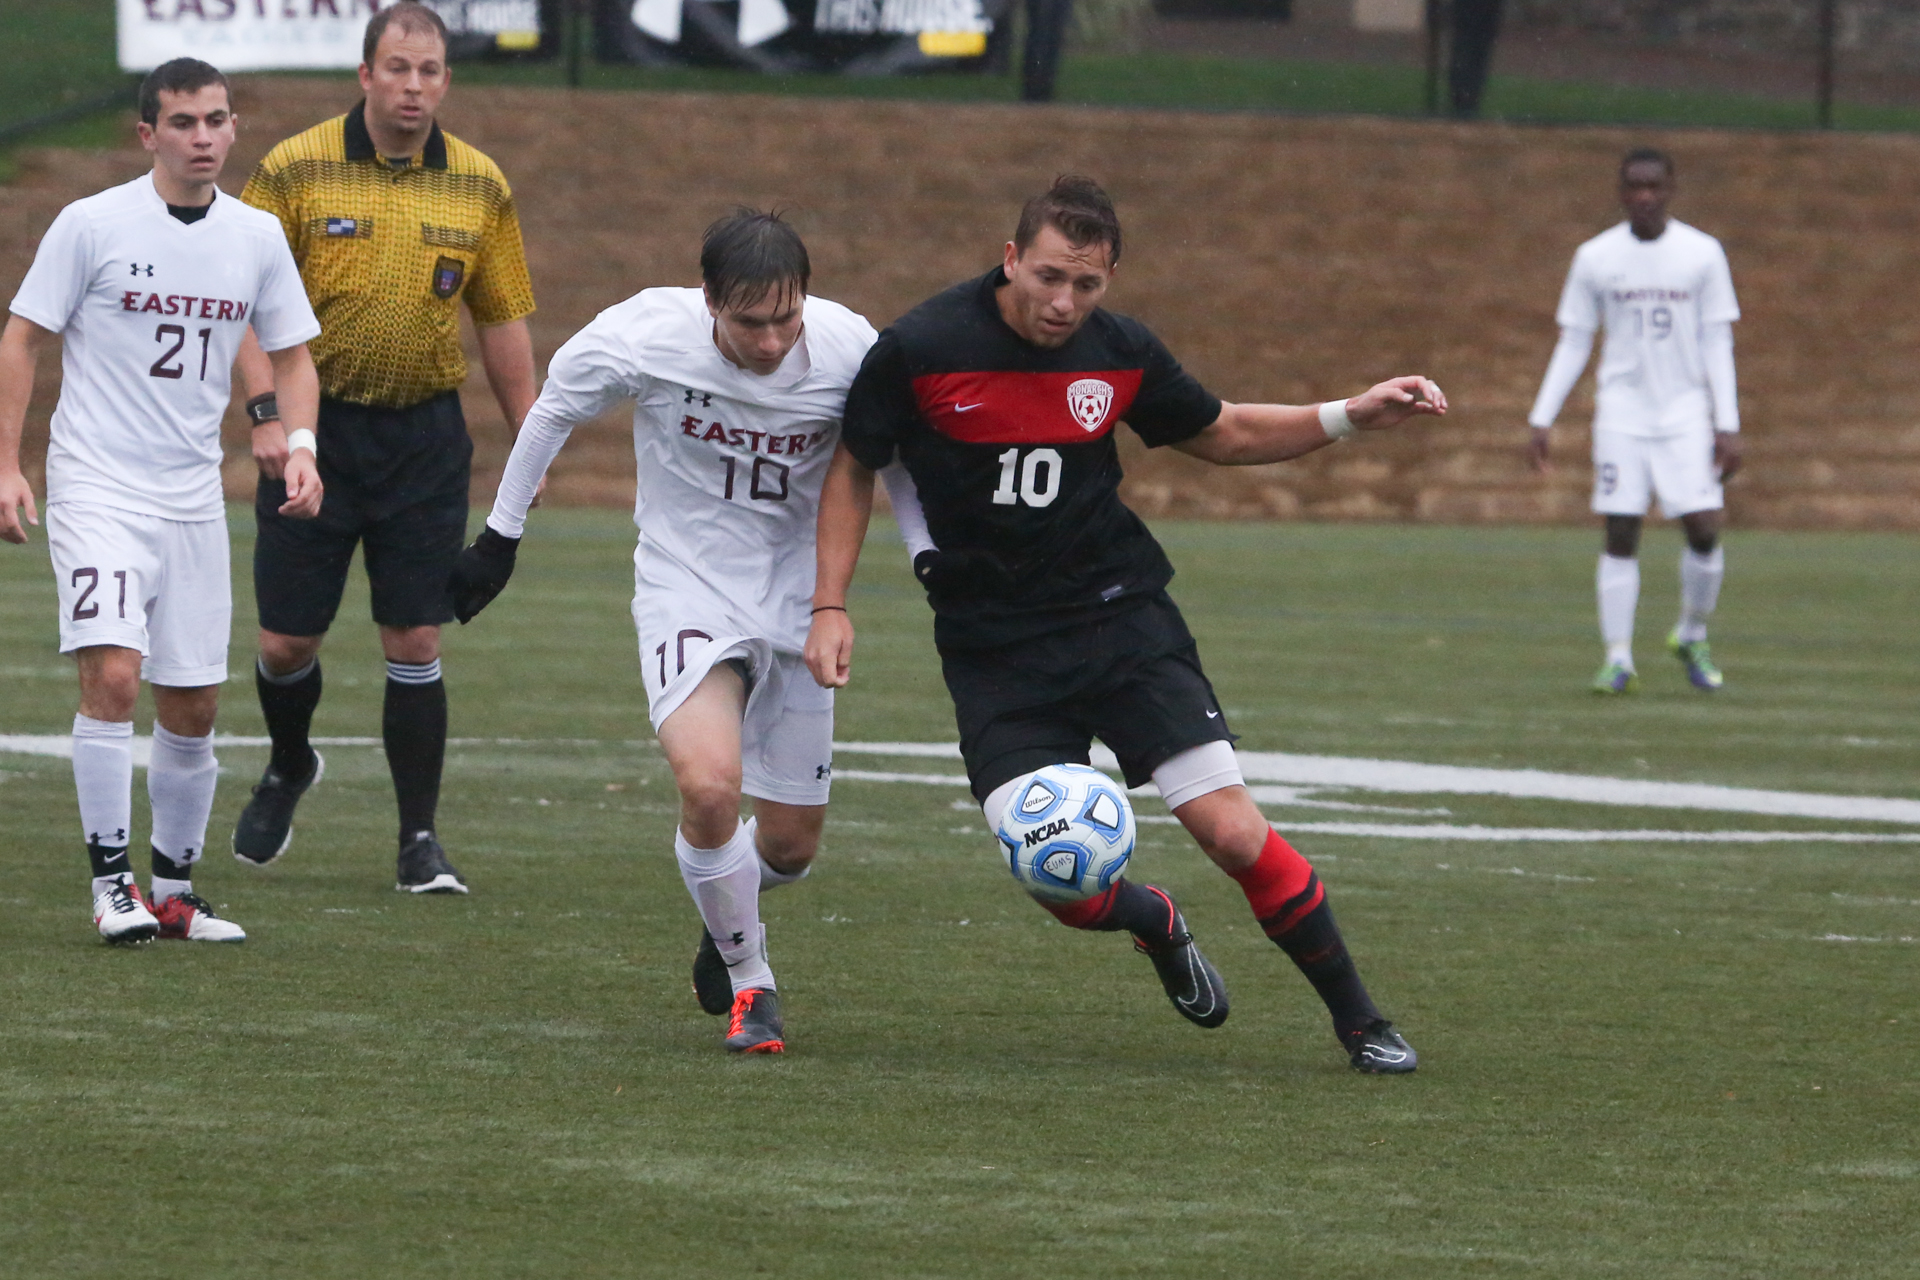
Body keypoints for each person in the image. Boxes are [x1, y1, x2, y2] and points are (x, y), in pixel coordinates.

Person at [805, 175, 1441, 1072]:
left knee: (1232, 832)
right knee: (1055, 874)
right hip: (996, 649)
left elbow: (1221, 432)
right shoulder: (921, 347)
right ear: (1012, 258)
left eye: (1088, 284)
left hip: (1120, 618)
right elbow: (853, 466)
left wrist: (1349, 415)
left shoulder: (1120, 353)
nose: (1065, 302)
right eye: (1051, 277)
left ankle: (1360, 1020)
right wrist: (830, 604)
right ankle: (1156, 921)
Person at [448, 210, 894, 1055]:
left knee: (792, 848)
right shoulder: (643, 334)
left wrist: (941, 559)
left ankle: (727, 905)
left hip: (800, 599)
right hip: (687, 586)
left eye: (786, 317)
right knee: (711, 788)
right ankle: (749, 978)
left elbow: (891, 456)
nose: (771, 342)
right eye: (750, 322)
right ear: (709, 302)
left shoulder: (850, 349)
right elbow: (550, 413)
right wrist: (500, 538)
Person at [0, 58, 323, 943]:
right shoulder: (92, 223)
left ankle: (174, 891)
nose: (204, 137)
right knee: (113, 674)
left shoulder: (254, 237)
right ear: (149, 133)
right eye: (183, 122)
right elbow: (23, 337)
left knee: (195, 702)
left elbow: (292, 353)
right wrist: (7, 464)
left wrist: (300, 445)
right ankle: (112, 885)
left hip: (191, 498)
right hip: (99, 484)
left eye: (217, 120)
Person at [231, 1, 538, 891]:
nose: (413, 86)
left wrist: (533, 440)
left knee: (414, 638)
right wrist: (266, 417)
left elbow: (504, 324)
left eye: (430, 71)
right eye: (397, 68)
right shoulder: (294, 168)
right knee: (287, 643)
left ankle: (419, 842)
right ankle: (291, 763)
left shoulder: (480, 183)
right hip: (313, 437)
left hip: (423, 441)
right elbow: (238, 301)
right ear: (365, 74)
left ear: (447, 80)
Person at [1528, 147, 1741, 695]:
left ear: (1671, 189)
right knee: (1621, 529)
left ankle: (1691, 632)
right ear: (1621, 192)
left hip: (1686, 411)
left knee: (1703, 525)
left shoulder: (1702, 253)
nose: (1644, 196)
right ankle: (1618, 658)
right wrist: (1542, 415)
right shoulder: (1596, 257)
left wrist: (1728, 421)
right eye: (1634, 187)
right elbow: (1576, 339)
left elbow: (1718, 338)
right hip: (1622, 412)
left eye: (1654, 186)